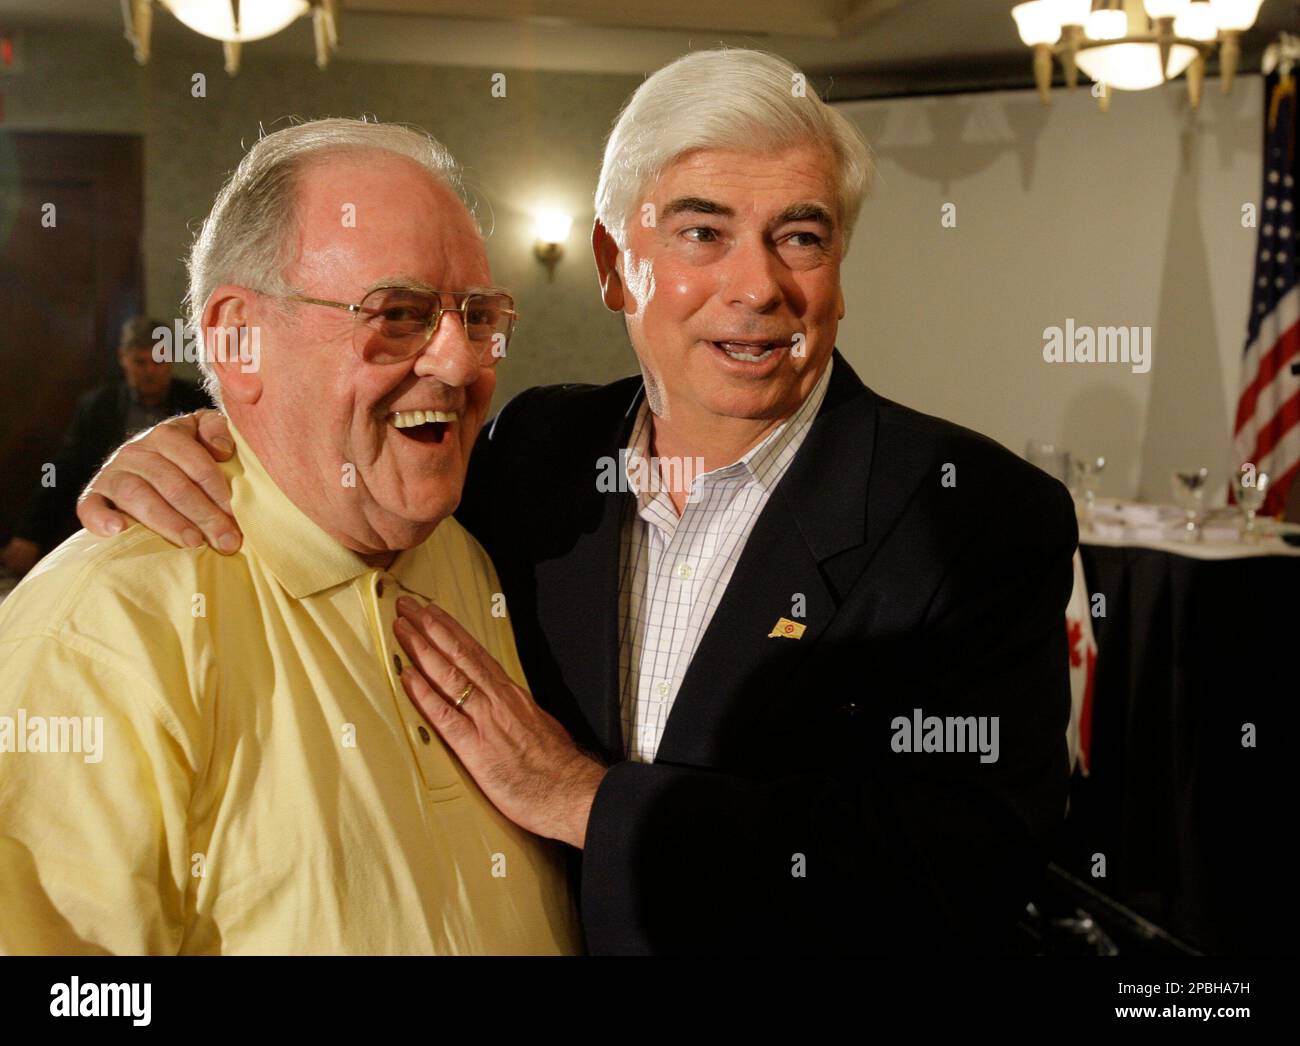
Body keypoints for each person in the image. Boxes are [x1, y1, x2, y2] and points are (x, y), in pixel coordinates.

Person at [77, 50, 1078, 955]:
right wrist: (205, 442)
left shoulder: (976, 517)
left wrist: (592, 802)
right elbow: (349, 467)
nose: (758, 284)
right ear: (612, 266)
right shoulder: (535, 456)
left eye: (800, 236)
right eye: (702, 230)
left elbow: (964, 869)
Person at [0, 120, 580, 954]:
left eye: (477, 316)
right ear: (238, 339)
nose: (459, 364)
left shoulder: (473, 552)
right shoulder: (101, 636)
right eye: (400, 314)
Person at [0, 317, 209, 577]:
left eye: (159, 361)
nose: (150, 371)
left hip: (184, 525)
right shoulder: (98, 405)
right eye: (140, 362)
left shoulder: (199, 401)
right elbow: (62, 469)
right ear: (123, 358)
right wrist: (29, 533)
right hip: (111, 526)